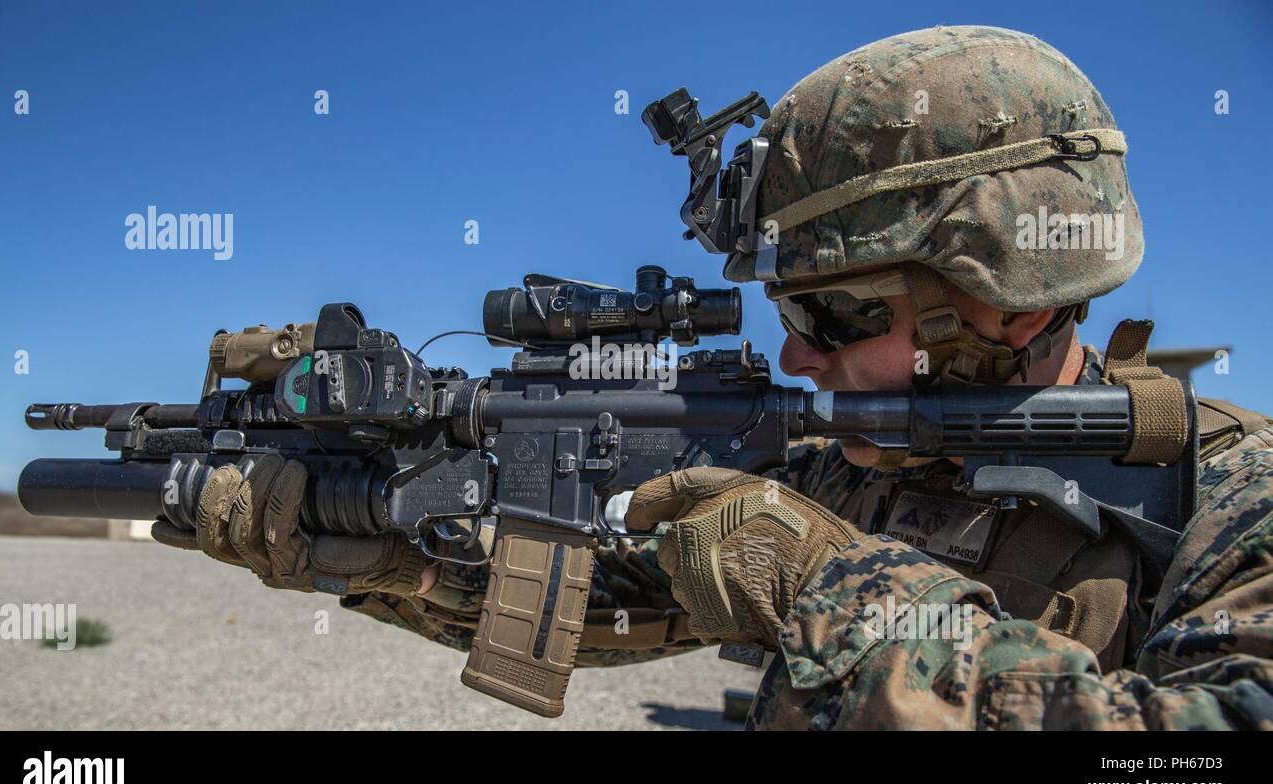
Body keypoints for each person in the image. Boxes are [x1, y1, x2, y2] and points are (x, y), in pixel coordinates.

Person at [153, 25, 1273, 729]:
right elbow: (619, 611)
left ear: (1010, 297)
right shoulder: (839, 469)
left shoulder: (1233, 496)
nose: (795, 356)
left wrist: (832, 591)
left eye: (830, 313)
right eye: (787, 314)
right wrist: (378, 552)